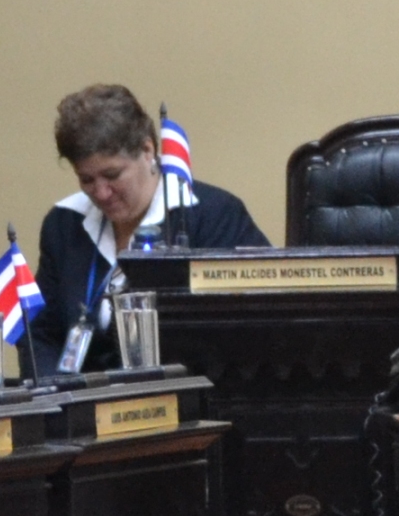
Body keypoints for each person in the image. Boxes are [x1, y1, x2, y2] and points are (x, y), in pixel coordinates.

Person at [24, 82, 264, 375]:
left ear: (147, 150)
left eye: (112, 175)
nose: (101, 193)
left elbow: (250, 329)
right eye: (87, 180)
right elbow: (41, 333)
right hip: (85, 398)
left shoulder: (214, 216)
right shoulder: (64, 224)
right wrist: (53, 392)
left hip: (189, 394)